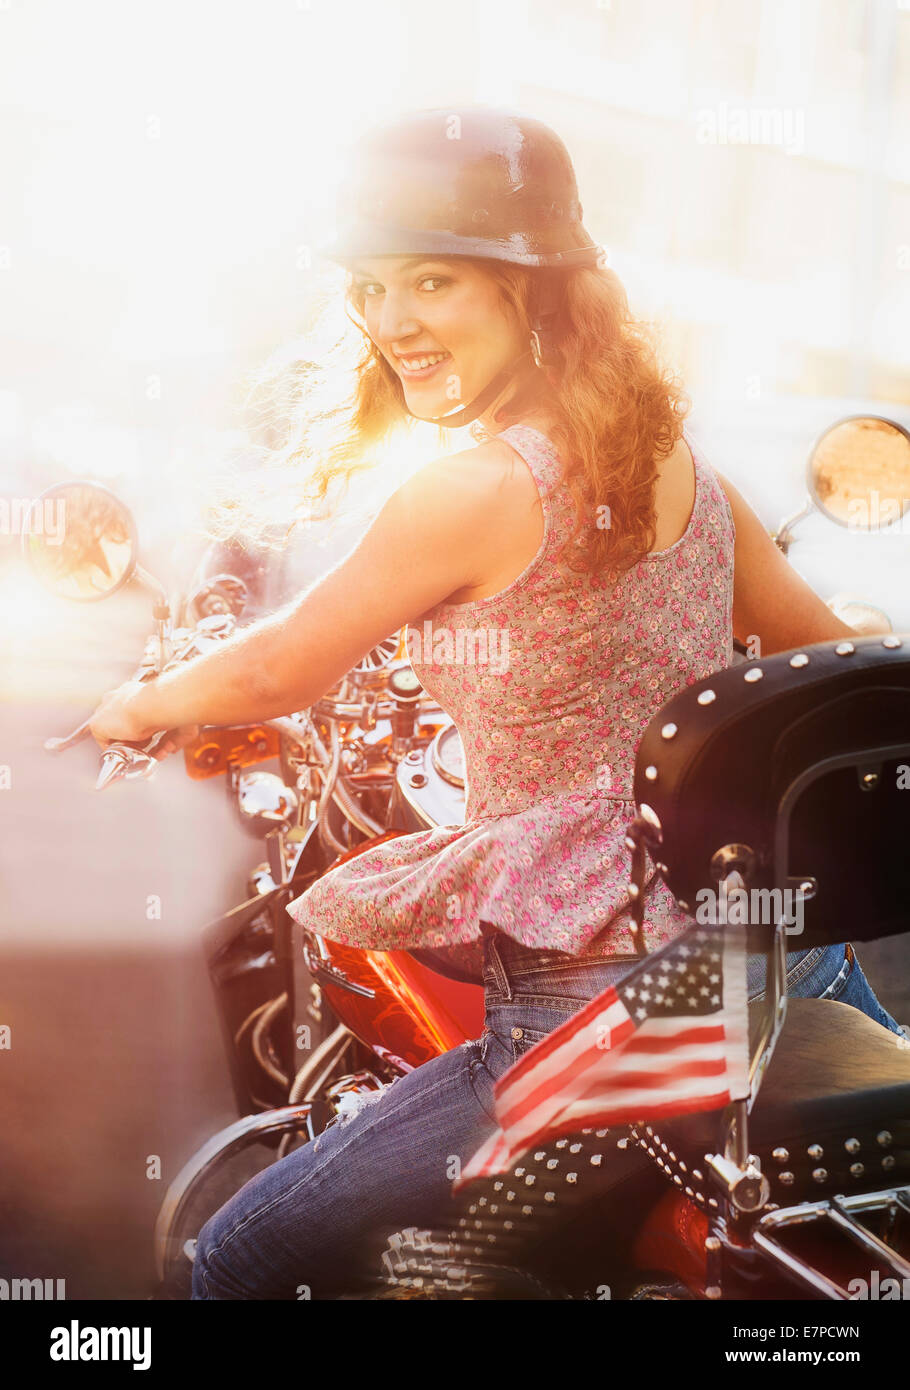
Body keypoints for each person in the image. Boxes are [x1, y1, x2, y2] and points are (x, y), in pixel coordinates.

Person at [87, 107, 902, 1299]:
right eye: (372, 286)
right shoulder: (680, 468)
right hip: (782, 970)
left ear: (538, 293)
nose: (390, 320)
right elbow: (826, 656)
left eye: (434, 280)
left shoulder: (474, 488)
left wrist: (138, 703)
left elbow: (278, 669)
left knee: (240, 1257)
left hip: (601, 1014)